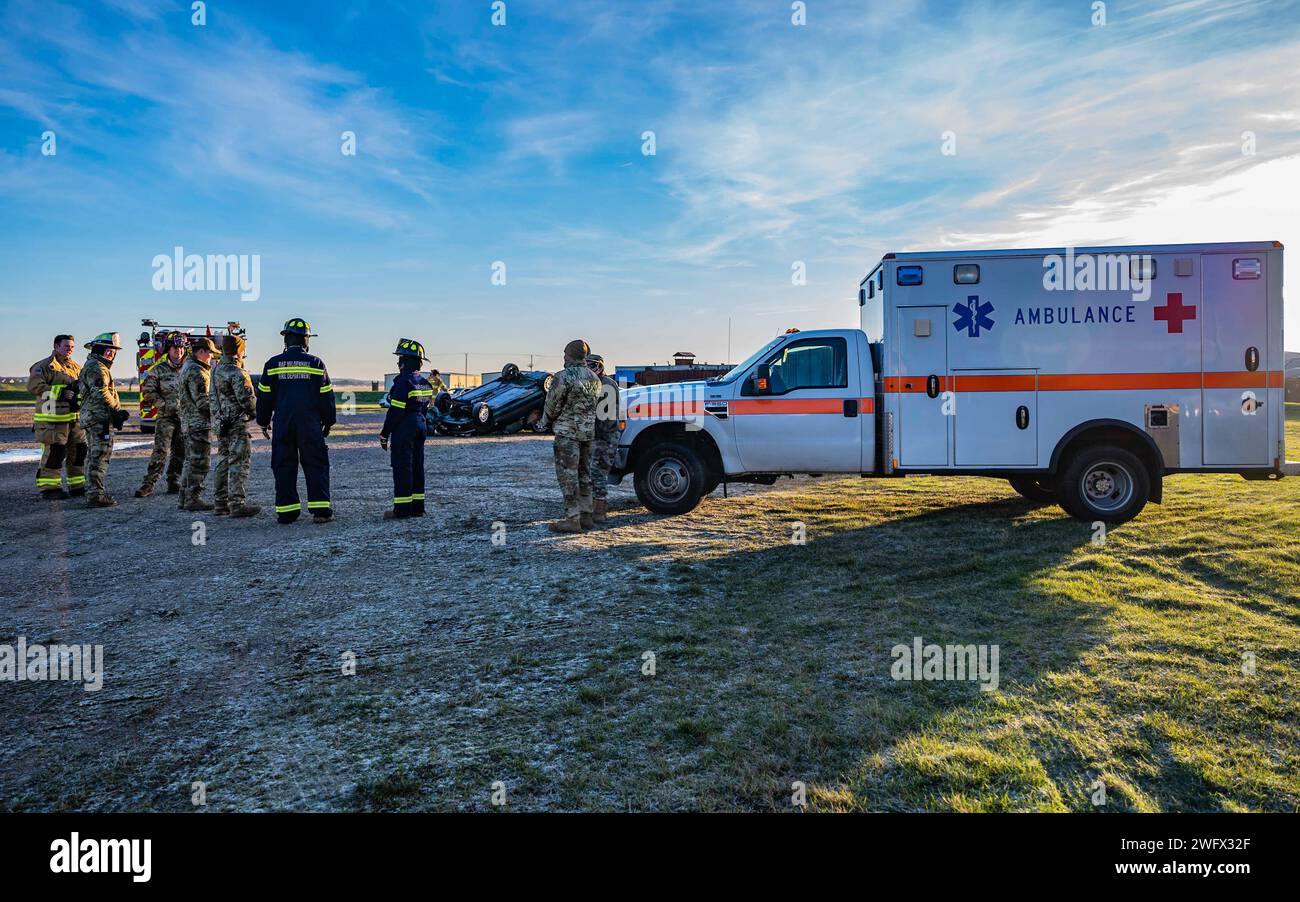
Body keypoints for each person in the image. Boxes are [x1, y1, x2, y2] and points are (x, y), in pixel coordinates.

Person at [256, 318, 336, 524]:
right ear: (306, 340)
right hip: (310, 423)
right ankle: (320, 510)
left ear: (286, 339)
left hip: (283, 422)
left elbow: (264, 397)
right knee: (316, 464)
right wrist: (328, 421)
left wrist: (263, 422)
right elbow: (326, 396)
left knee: (283, 465)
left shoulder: (272, 364)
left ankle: (287, 512)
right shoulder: (316, 364)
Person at [538, 339, 600, 533]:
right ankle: (586, 516)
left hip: (567, 433)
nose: (564, 357)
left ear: (571, 355)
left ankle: (572, 519)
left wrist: (545, 421)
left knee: (568, 476)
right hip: (588, 433)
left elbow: (552, 404)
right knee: (585, 474)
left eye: (565, 354)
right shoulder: (594, 379)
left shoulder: (563, 377)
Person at [27, 334, 86, 499]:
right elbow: (34, 386)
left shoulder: (76, 367)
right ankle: (49, 489)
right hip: (52, 418)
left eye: (72, 347)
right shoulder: (44, 366)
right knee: (55, 453)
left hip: (74, 419)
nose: (70, 350)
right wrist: (60, 393)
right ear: (56, 346)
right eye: (66, 346)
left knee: (79, 451)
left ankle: (77, 486)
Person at [379, 339, 433, 519]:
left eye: (400, 358)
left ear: (404, 361)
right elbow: (425, 408)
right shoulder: (425, 383)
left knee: (403, 467)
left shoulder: (403, 382)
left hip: (405, 428)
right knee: (417, 466)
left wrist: (385, 433)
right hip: (421, 425)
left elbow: (395, 411)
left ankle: (402, 509)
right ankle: (418, 508)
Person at [76, 332, 129, 508]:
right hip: (99, 419)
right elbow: (101, 393)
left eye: (114, 351)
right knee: (99, 457)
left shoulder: (95, 366)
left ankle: (92, 491)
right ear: (98, 349)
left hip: (95, 418)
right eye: (108, 350)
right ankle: (95, 495)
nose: (112, 354)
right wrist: (117, 411)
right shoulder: (97, 368)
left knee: (93, 456)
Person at [211, 334, 260, 518]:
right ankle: (237, 504)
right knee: (239, 462)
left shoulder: (216, 370)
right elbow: (247, 401)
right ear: (240, 350)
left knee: (223, 461)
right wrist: (258, 413)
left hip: (221, 423)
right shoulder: (237, 373)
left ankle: (220, 503)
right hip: (237, 424)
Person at [134, 331, 188, 497]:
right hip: (166, 418)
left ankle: (174, 481)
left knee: (181, 452)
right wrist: (162, 404)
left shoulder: (190, 369)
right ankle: (148, 484)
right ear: (168, 349)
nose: (178, 350)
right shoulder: (158, 370)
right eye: (174, 347)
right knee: (160, 451)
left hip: (185, 418)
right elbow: (148, 392)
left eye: (181, 348)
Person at [178, 337, 216, 512]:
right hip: (198, 424)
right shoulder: (197, 372)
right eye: (210, 353)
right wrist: (219, 409)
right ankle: (193, 498)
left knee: (190, 461)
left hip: (189, 423)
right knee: (200, 463)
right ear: (201, 352)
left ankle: (184, 497)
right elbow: (203, 402)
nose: (211, 357)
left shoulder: (188, 367)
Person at [586, 353, 621, 524]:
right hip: (597, 436)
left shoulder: (607, 386)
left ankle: (599, 512)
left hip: (604, 437)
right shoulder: (595, 384)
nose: (588, 369)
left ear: (600, 367)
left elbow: (605, 419)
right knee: (593, 474)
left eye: (591, 365)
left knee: (597, 473)